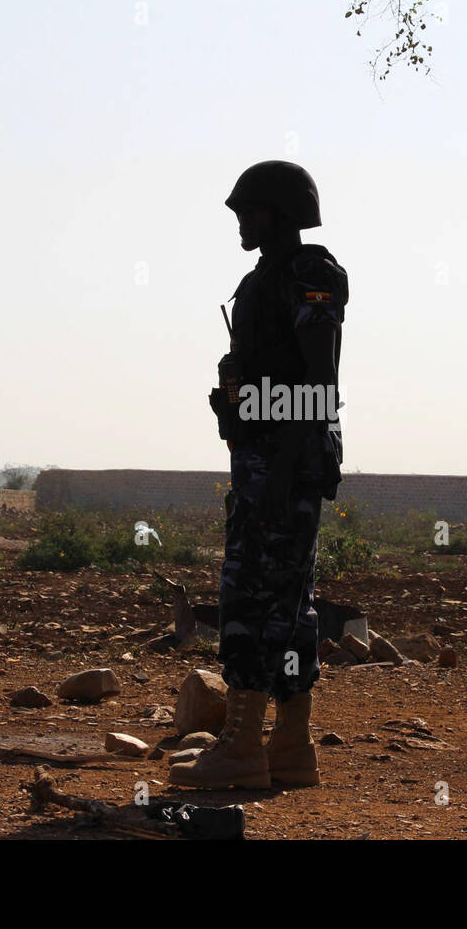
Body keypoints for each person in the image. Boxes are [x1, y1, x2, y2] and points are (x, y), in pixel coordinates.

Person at [171, 160, 347, 790]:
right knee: (285, 607)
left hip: (284, 467)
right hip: (259, 464)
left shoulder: (310, 275)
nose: (240, 221)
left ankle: (245, 747)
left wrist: (278, 470)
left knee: (253, 601)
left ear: (278, 212)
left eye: (248, 210)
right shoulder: (259, 281)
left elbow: (319, 385)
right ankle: (289, 748)